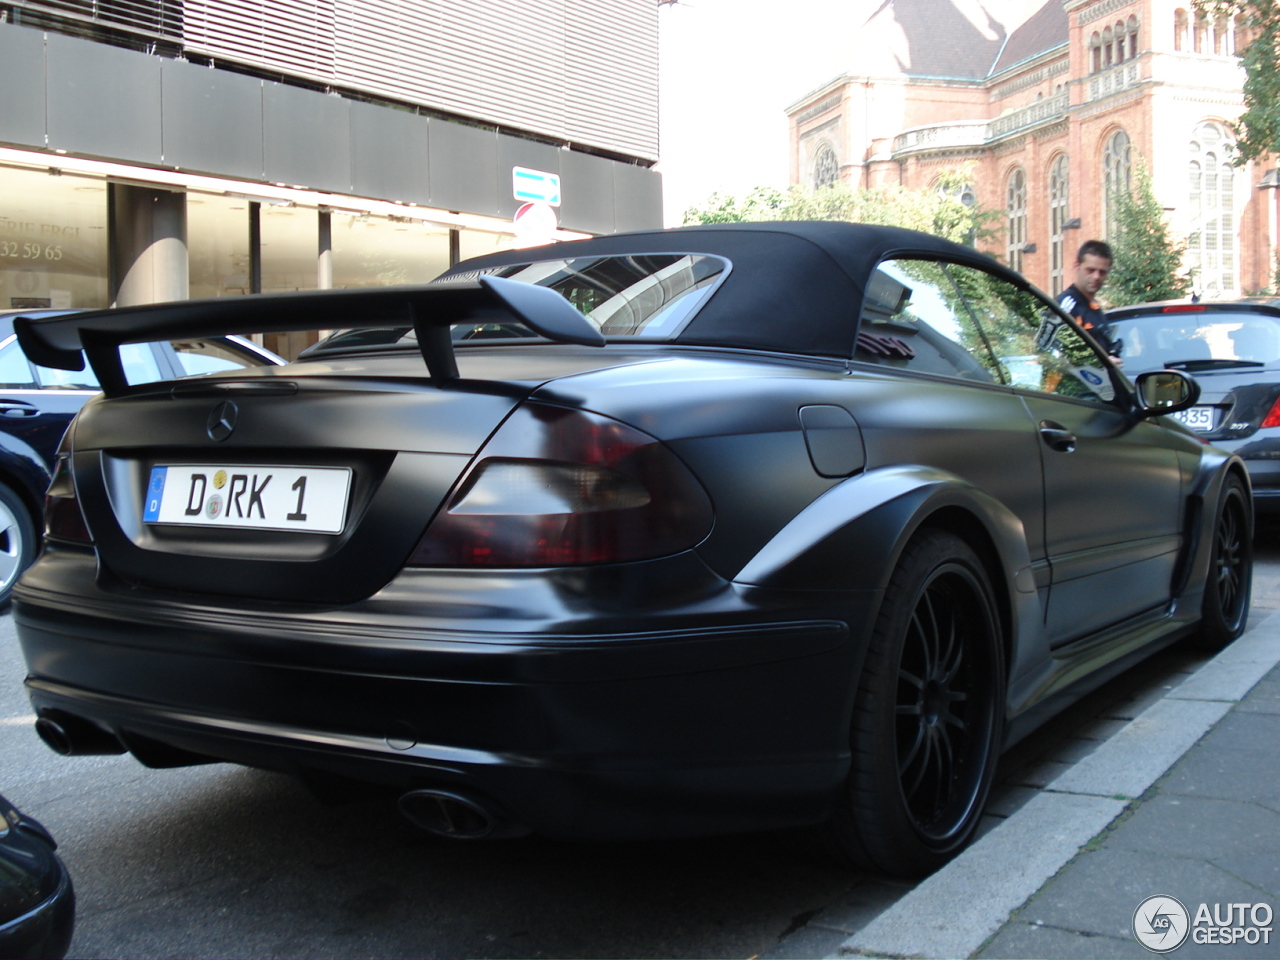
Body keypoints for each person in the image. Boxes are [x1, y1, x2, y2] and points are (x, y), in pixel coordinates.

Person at [1057, 240, 1119, 355]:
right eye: (1090, 270)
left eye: (1102, 272)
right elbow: (1057, 353)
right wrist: (1100, 364)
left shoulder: (1095, 308)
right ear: (1076, 267)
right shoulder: (1066, 305)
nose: (1096, 276)